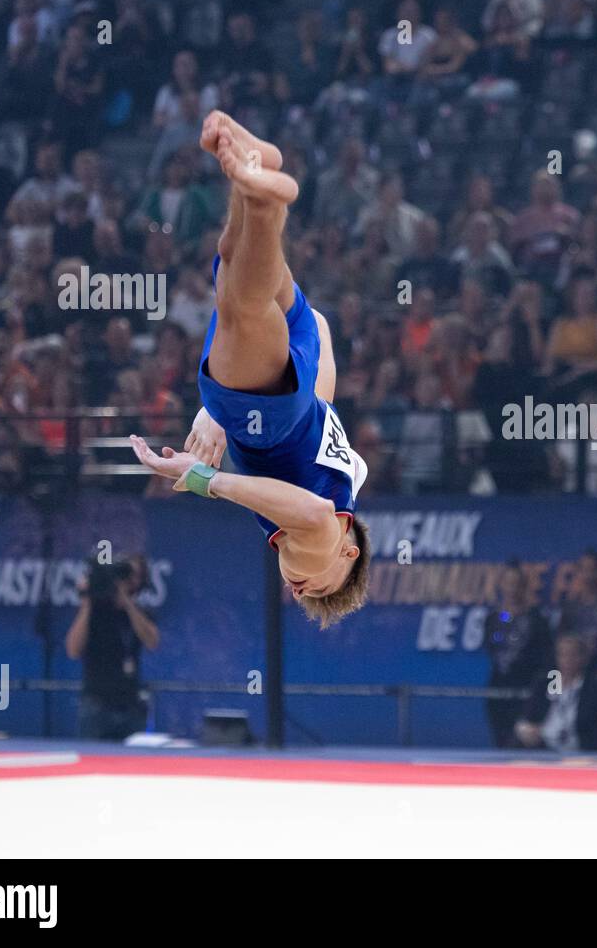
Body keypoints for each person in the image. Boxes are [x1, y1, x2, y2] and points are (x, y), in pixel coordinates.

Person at [128, 112, 370, 627]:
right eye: (321, 588)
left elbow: (321, 382)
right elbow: (312, 514)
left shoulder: (348, 474)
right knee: (243, 303)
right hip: (267, 413)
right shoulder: (322, 536)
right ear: (349, 555)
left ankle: (255, 176)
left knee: (230, 263)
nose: (300, 585)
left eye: (303, 594)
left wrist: (214, 414)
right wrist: (205, 481)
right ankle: (265, 203)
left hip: (302, 363)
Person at [66, 555, 159, 740]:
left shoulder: (141, 612)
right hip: (96, 705)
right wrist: (88, 600)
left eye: (134, 576)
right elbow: (73, 650)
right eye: (124, 574)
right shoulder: (95, 611)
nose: (128, 580)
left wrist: (126, 601)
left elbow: (152, 642)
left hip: (130, 704)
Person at [484, 562, 553, 747]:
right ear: (501, 585)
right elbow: (491, 650)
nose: (512, 589)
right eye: (508, 583)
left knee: (521, 739)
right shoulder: (492, 619)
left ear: (524, 587)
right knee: (501, 739)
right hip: (498, 689)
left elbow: (546, 658)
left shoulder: (536, 619)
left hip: (527, 690)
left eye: (517, 583)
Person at [513, 633, 597, 751]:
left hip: (578, 747)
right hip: (544, 744)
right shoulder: (548, 682)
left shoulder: (594, 687)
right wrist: (526, 729)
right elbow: (528, 715)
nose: (567, 660)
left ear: (583, 658)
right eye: (563, 655)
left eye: (572, 655)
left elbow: (595, 727)